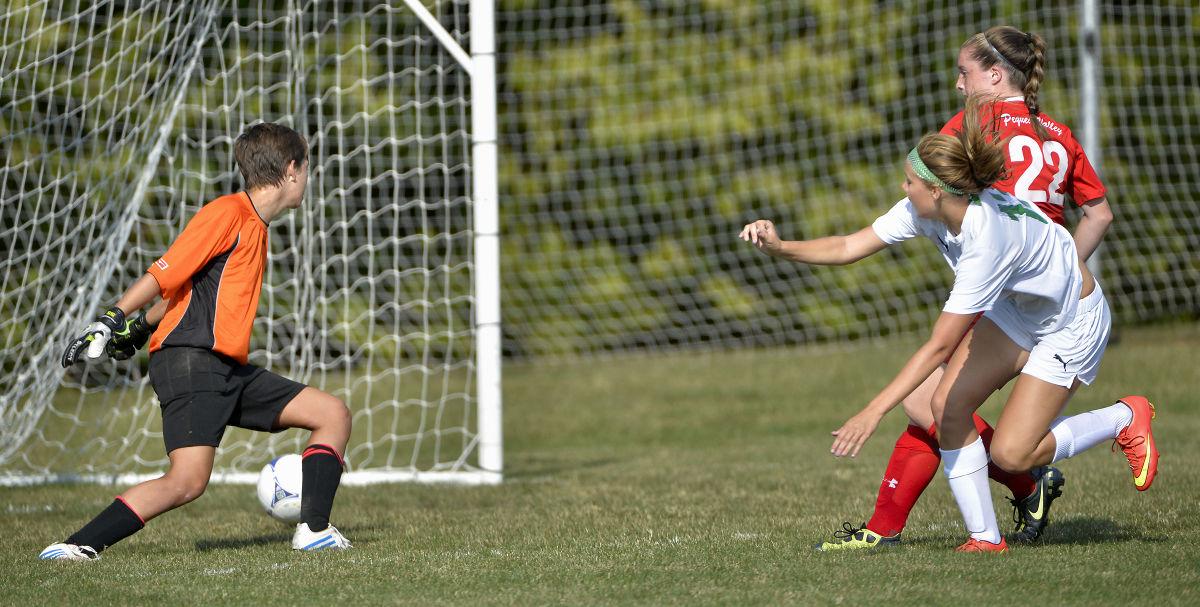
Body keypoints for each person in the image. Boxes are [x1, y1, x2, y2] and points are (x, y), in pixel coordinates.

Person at [739, 96, 1157, 553]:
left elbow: (939, 347)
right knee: (944, 406)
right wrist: (780, 247)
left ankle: (1124, 416)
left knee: (1013, 454)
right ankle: (985, 539)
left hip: (1072, 320)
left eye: (910, 181)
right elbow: (845, 246)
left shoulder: (987, 239)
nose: (904, 187)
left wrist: (872, 411)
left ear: (937, 191)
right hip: (1020, 312)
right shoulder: (930, 210)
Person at [814, 26, 1114, 551]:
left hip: (1000, 279)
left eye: (965, 72)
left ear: (995, 75)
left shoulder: (973, 126)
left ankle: (1012, 486)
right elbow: (1099, 214)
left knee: (927, 403)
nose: (958, 85)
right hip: (1028, 289)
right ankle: (943, 523)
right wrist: (1063, 269)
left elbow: (941, 182)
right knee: (934, 405)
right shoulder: (1057, 134)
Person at [41, 123, 353, 560]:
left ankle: (314, 530)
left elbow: (185, 288)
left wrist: (141, 328)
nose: (308, 177)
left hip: (224, 368)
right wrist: (113, 319)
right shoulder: (227, 212)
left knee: (331, 413)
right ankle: (74, 546)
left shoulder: (255, 225)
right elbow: (165, 271)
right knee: (187, 482)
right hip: (193, 362)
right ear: (291, 170)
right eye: (307, 167)